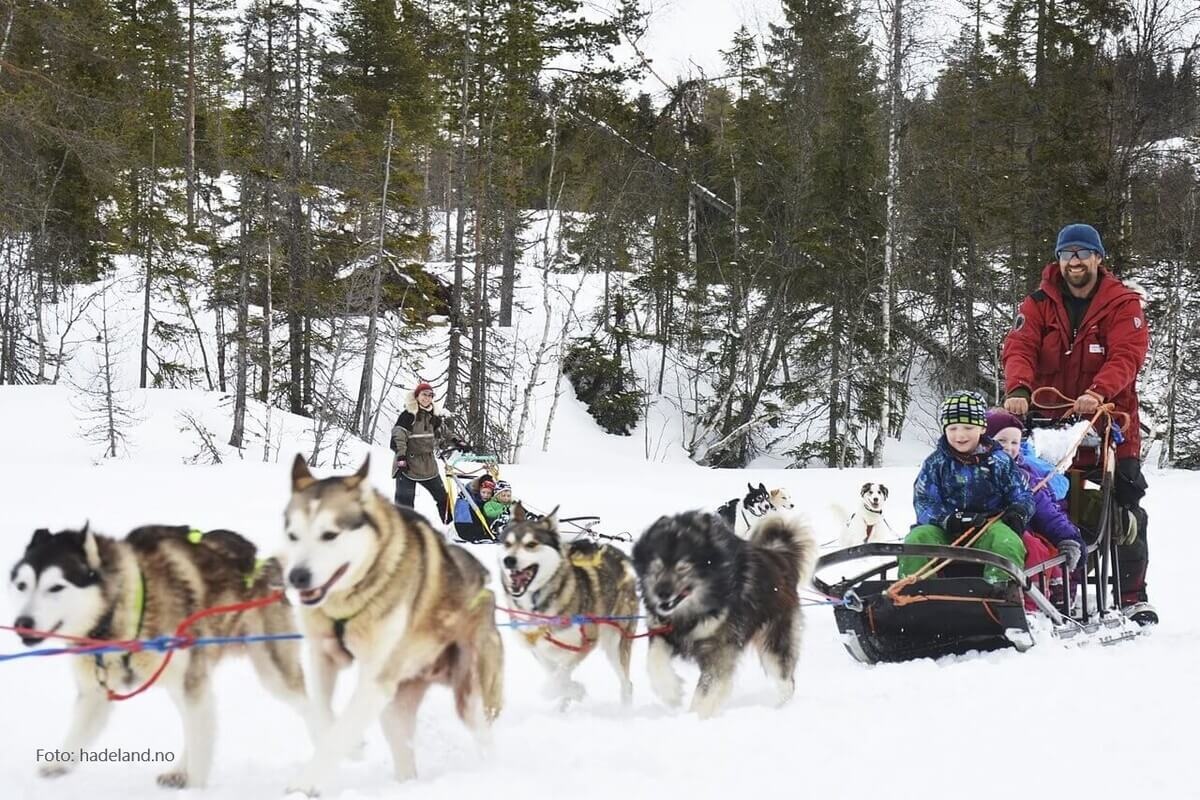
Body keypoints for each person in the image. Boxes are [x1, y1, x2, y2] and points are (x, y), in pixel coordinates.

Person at [1000, 223, 1156, 625]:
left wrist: (1100, 391)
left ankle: (1133, 596)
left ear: (1098, 258)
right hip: (1047, 429)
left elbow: (1127, 356)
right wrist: (1018, 387)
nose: (1074, 262)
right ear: (1058, 259)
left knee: (1122, 509)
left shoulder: (1123, 304)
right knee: (1037, 502)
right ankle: (1045, 584)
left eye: (1082, 253)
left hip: (1109, 427)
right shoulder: (1037, 303)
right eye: (1067, 254)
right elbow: (1019, 346)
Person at [900, 391, 1033, 591]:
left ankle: (999, 596)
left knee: (1007, 543)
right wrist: (947, 519)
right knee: (915, 540)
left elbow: (1022, 494)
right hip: (945, 529)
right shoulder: (936, 463)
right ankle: (915, 595)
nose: (960, 435)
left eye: (968, 428)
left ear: (982, 427)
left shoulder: (999, 461)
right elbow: (924, 501)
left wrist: (1018, 511)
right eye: (952, 428)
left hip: (988, 527)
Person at [986, 409, 1085, 609]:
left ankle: (1034, 605)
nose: (1008, 448)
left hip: (1022, 531)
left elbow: (1048, 513)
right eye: (1001, 441)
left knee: (1032, 546)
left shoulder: (1026, 476)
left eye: (1015, 443)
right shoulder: (972, 470)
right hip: (979, 531)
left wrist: (1070, 538)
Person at [391, 382, 452, 523]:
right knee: (404, 504)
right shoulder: (408, 415)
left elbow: (446, 433)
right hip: (407, 465)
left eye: (430, 395)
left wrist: (459, 442)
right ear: (417, 396)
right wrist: (401, 457)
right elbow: (398, 437)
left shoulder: (433, 417)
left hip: (428, 465)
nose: (427, 398)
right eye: (424, 395)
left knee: (443, 498)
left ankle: (452, 526)